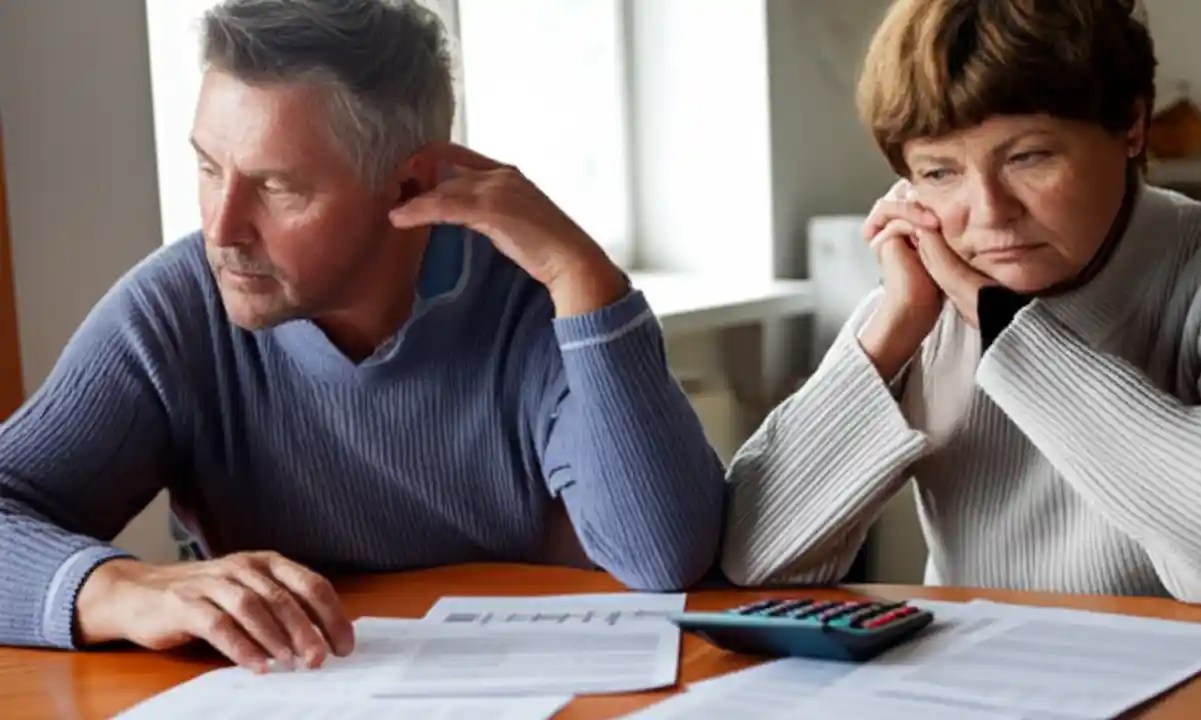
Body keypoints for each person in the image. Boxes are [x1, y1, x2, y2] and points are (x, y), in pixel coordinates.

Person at [0, 0, 725, 670]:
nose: (221, 230)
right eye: (208, 167)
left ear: (408, 187)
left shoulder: (536, 306)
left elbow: (665, 553)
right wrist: (117, 588)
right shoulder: (176, 309)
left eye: (278, 188)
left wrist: (583, 275)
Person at [721, 0, 1201, 608]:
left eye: (1028, 157)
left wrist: (1003, 324)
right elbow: (755, 557)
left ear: (1133, 125)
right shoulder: (919, 303)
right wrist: (895, 327)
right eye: (940, 173)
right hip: (976, 688)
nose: (989, 214)